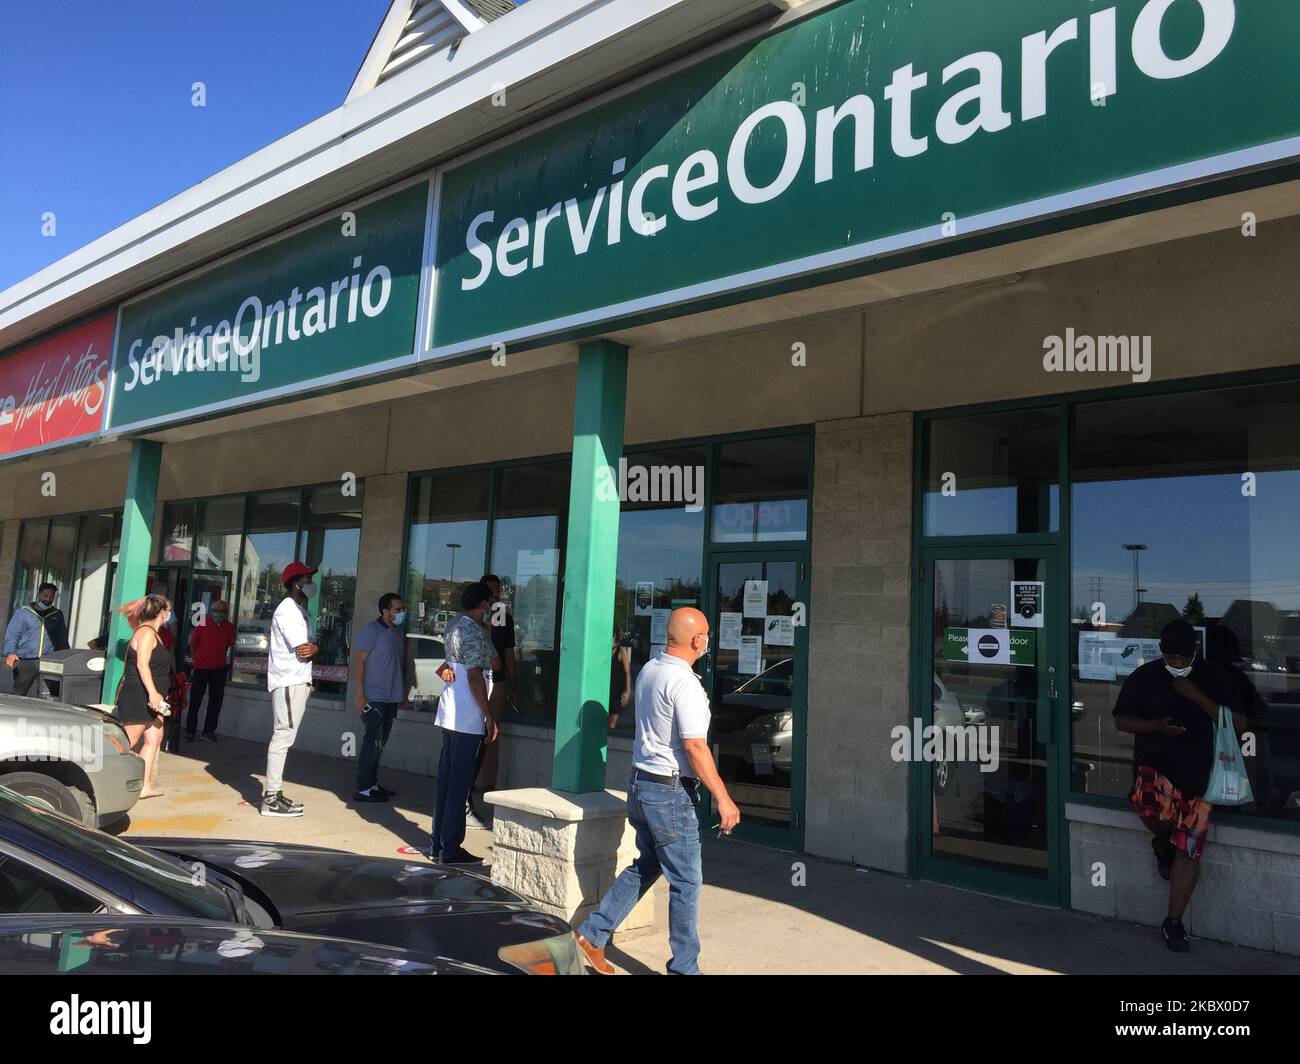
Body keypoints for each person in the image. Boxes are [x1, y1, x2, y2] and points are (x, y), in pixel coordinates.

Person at [575, 607, 740, 976]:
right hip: (669, 793)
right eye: (707, 634)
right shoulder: (685, 684)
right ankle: (685, 968)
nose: (709, 640)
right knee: (686, 882)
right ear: (698, 640)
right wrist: (724, 799)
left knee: (648, 864)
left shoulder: (651, 669)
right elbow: (695, 747)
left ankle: (591, 935)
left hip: (641, 784)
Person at [1112, 618, 1245, 953]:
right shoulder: (1145, 677)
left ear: (1195, 652)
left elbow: (1240, 722)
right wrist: (1156, 725)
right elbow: (1121, 720)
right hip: (1154, 768)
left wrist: (1195, 695)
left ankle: (1173, 922)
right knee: (1148, 809)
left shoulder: (1214, 676)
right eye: (1173, 659)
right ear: (1161, 652)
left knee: (1189, 849)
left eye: (1185, 659)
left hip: (1200, 775)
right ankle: (1162, 840)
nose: (1179, 665)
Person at [430, 582, 498, 864]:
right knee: (459, 783)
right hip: (466, 715)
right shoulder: (472, 630)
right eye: (490, 603)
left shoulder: (455, 624)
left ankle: (439, 843)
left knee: (446, 781)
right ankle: (451, 848)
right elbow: (473, 677)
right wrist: (488, 715)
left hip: (451, 713)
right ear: (482, 604)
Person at [261, 562, 319, 818]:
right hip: (288, 681)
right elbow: (304, 649)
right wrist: (314, 648)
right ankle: (271, 798)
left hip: (296, 680)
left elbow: (311, 645)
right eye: (308, 579)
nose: (311, 584)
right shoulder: (287, 610)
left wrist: (314, 647)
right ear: (297, 583)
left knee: (285, 737)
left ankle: (275, 793)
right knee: (282, 736)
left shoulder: (298, 609)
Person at [112, 594, 174, 800]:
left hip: (151, 699)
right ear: (162, 613)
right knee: (130, 739)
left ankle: (144, 785)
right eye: (169, 611)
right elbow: (141, 664)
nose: (170, 615)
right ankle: (104, 778)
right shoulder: (146, 633)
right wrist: (153, 693)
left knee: (154, 737)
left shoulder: (153, 633)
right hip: (140, 695)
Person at [352, 592, 409, 803]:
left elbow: (399, 663)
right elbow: (359, 663)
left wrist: (403, 691)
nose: (401, 613)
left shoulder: (397, 633)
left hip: (391, 697)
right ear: (385, 611)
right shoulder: (371, 631)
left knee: (380, 743)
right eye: (397, 609)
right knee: (372, 741)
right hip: (374, 696)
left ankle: (372, 784)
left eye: (402, 609)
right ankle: (363, 787)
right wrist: (360, 694)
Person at [468, 574, 515, 826]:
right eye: (488, 594)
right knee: (471, 731)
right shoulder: (468, 622)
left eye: (496, 594)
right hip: (475, 679)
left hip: (494, 680)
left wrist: (511, 683)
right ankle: (469, 781)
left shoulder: (504, 619)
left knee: (491, 731)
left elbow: (507, 655)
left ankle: (488, 782)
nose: (493, 599)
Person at [4, 582, 70, 696]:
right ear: (39, 595)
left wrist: (66, 657)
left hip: (48, 660)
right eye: (45, 596)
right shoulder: (24, 612)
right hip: (25, 660)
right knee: (19, 692)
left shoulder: (57, 614)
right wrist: (11, 652)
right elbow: (13, 634)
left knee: (48, 694)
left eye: (51, 597)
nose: (48, 599)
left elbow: (62, 638)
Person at [186, 599, 236, 741]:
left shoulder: (229, 627)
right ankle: (190, 731)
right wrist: (196, 660)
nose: (217, 614)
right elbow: (193, 645)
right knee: (195, 700)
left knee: (215, 701)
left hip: (219, 668)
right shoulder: (202, 624)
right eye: (215, 610)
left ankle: (208, 731)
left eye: (220, 611)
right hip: (201, 668)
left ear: (226, 613)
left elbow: (231, 646)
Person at [607, 625, 633, 730]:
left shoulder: (620, 650)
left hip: (617, 691)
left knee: (611, 724)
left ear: (613, 635)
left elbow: (627, 672)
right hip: (605, 689)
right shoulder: (602, 650)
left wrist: (627, 691)